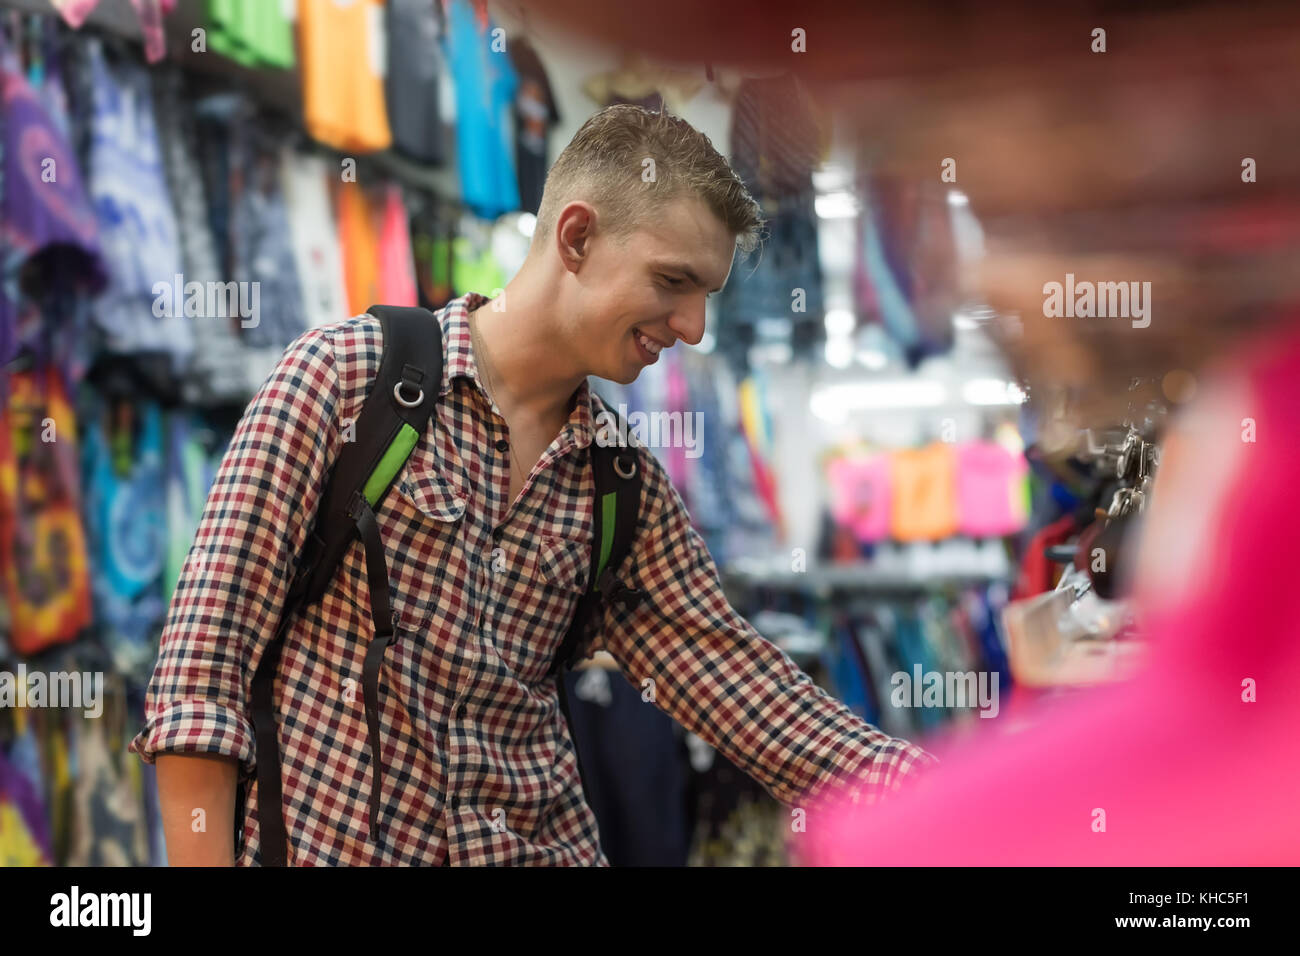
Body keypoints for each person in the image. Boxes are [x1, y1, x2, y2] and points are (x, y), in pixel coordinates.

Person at [130, 105, 934, 866]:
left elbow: (751, 695)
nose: (691, 328)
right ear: (577, 237)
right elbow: (201, 676)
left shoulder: (624, 487)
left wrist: (965, 801)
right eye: (671, 282)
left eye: (704, 299)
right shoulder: (341, 383)